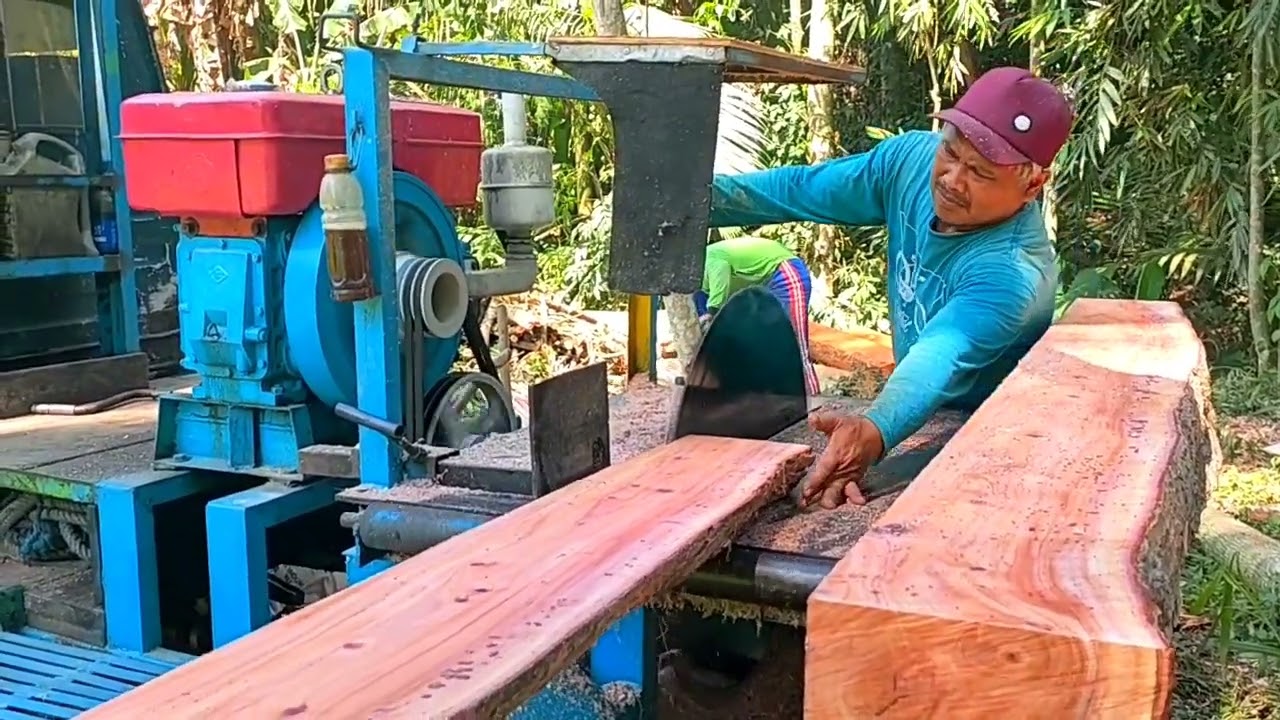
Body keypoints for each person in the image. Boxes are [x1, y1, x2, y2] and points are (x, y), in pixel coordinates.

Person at [708, 66, 1074, 509]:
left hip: (987, 438)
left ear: (1033, 184)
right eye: (952, 152)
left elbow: (937, 358)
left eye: (980, 172)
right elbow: (804, 189)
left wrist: (874, 430)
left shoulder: (1012, 273)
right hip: (912, 411)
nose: (952, 180)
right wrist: (698, 201)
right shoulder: (909, 163)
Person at [693, 235, 822, 394]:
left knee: (795, 345)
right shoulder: (694, 286)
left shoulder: (707, 258)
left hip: (785, 272)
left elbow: (719, 282)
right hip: (762, 283)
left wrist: (712, 313)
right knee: (766, 345)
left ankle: (813, 404)